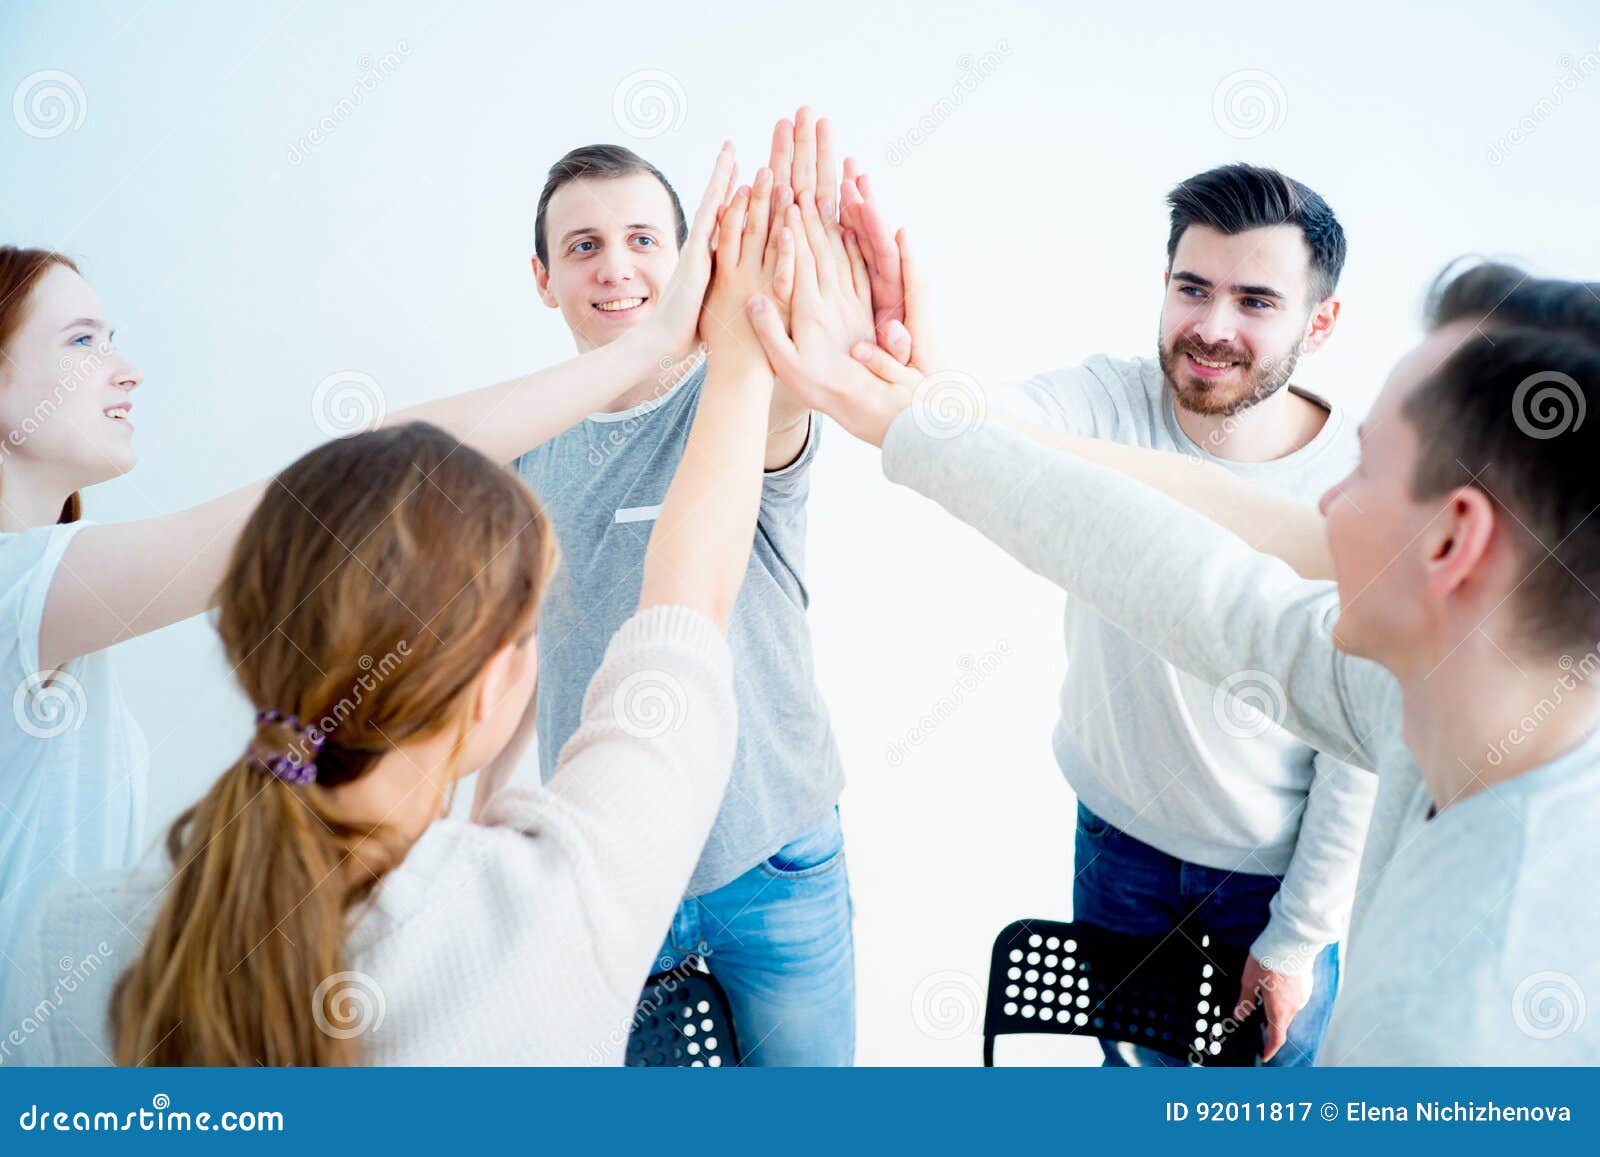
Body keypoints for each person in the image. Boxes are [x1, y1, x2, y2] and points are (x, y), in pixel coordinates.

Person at [751, 217, 1600, 1063]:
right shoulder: (1444, 686)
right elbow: (1202, 572)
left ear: (1454, 543)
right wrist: (927, 412)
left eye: (1368, 469)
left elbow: (1219, 577)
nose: (1328, 504)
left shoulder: (1455, 1027)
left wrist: (1294, 937)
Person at [0, 169, 792, 1065]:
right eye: (79, 339)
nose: (126, 365)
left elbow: (343, 480)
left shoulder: (67, 943)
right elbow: (686, 602)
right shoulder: (544, 911)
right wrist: (736, 345)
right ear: (500, 681)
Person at [844, 166, 1375, 1064]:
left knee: (1269, 1112)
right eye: (1192, 288)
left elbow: (1359, 751)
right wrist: (916, 344)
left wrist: (1294, 940)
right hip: (1116, 843)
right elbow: (996, 430)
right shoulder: (1110, 399)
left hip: (1269, 882)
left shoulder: (1360, 493)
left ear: (1319, 322)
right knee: (1135, 1095)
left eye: (1255, 300)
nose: (1211, 327)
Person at [510, 109, 882, 1064]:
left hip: (776, 857)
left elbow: (786, 398)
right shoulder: (520, 447)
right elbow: (515, 656)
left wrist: (783, 304)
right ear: (544, 278)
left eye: (642, 240)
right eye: (583, 245)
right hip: (613, 871)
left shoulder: (736, 400)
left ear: (686, 261)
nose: (615, 267)